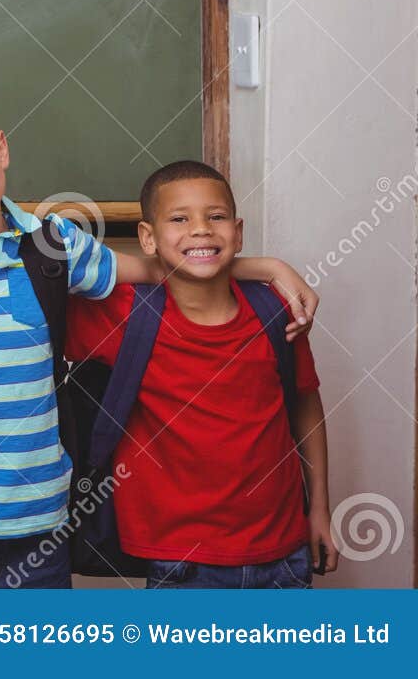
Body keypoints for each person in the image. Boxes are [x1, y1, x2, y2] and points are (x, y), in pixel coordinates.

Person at [0, 78, 319, 588]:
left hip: (37, 526)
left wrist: (267, 266)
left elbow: (162, 269)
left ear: (1, 149)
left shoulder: (56, 246)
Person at [67, 159, 337, 588]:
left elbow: (305, 404)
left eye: (216, 217)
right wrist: (267, 264)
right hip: (178, 560)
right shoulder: (122, 313)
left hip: (284, 550)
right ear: (148, 238)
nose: (201, 230)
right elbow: (39, 279)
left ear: (238, 231)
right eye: (179, 219)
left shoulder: (275, 311)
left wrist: (319, 509)